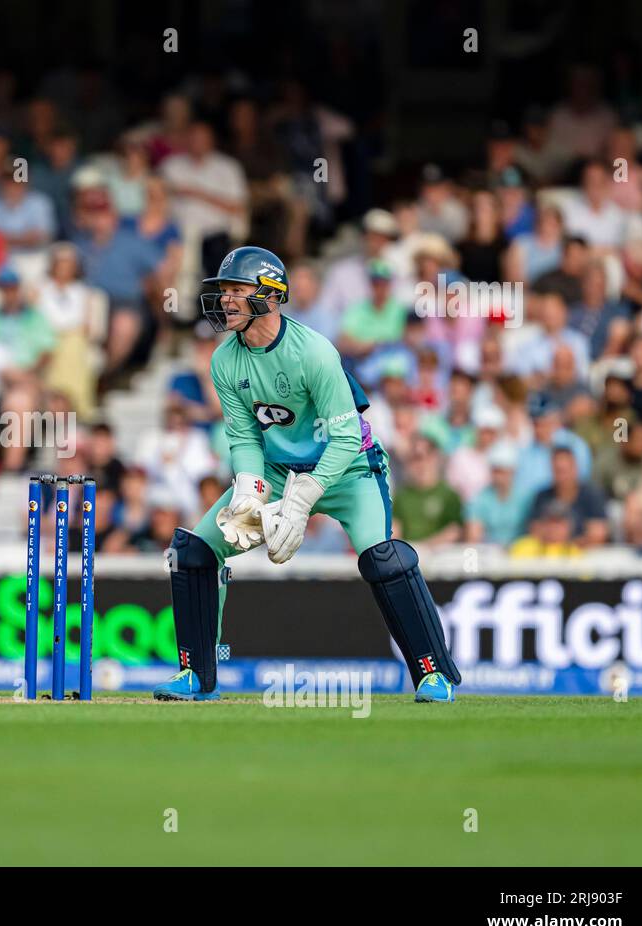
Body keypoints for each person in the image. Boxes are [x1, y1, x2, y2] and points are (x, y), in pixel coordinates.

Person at [155, 246, 461, 704]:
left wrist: (305, 499)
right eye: (224, 291)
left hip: (348, 471)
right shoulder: (223, 361)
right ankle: (197, 675)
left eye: (238, 290)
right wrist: (249, 491)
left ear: (271, 295)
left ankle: (432, 674)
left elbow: (345, 439)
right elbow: (244, 439)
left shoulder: (314, 351)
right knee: (195, 552)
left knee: (384, 559)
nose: (226, 301)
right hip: (276, 472)